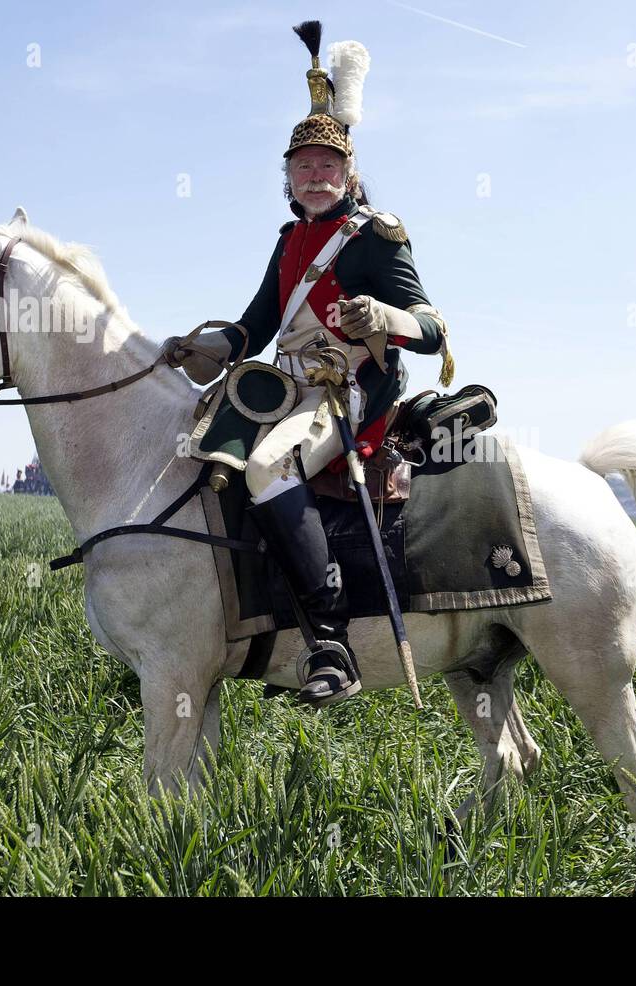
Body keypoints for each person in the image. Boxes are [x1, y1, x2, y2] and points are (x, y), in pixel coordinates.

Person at [165, 21, 453, 707]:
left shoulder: (377, 236)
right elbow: (257, 325)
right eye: (303, 168)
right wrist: (203, 350)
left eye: (328, 167)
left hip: (349, 386)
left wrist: (384, 319)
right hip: (283, 385)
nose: (315, 177)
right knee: (209, 453)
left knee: (268, 467)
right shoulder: (291, 238)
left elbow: (435, 328)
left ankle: (331, 642)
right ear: (288, 179)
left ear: (347, 173)